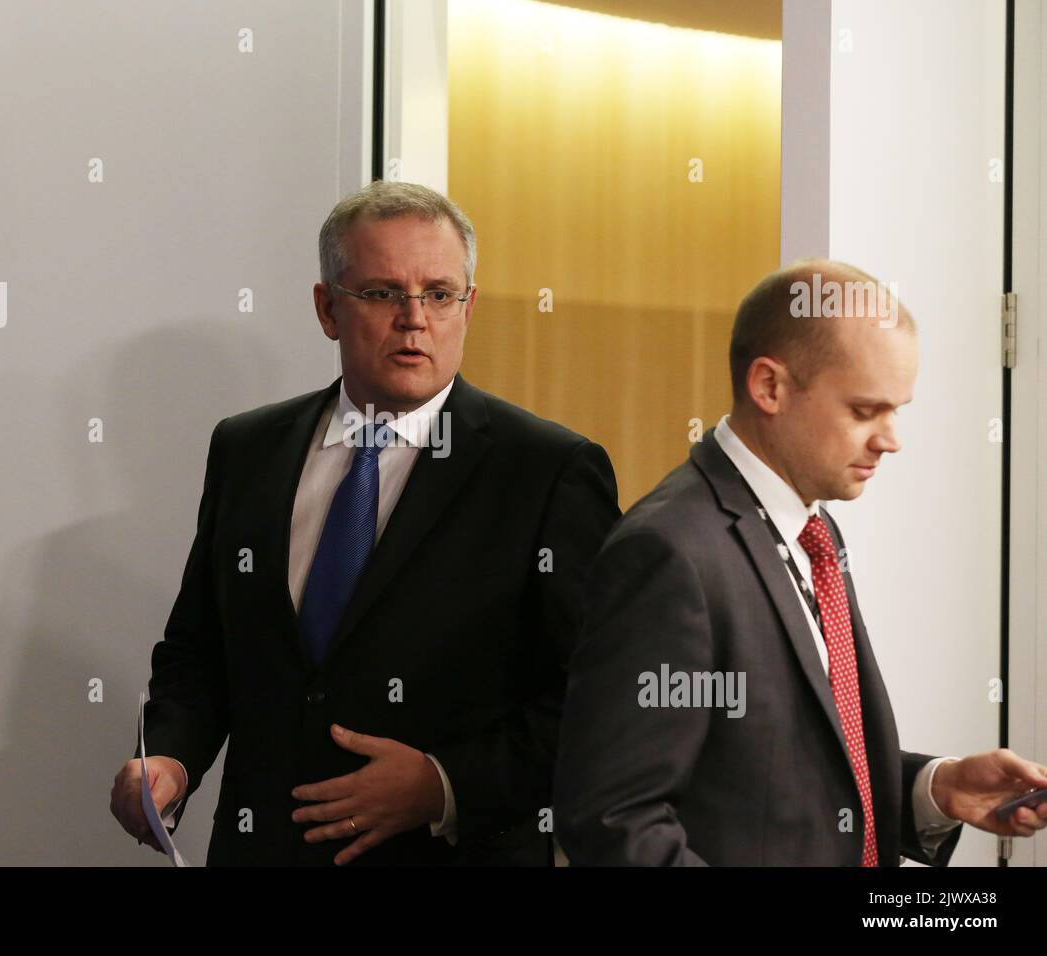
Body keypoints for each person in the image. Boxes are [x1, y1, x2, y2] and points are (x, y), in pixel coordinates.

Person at [110, 181, 620, 865]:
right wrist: (169, 756)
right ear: (328, 309)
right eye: (382, 293)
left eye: (439, 294)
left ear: (468, 308)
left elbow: (595, 701)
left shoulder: (548, 471)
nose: (414, 319)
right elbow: (200, 654)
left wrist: (442, 786)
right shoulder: (248, 448)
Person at [555, 260, 1047, 865]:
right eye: (866, 411)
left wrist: (934, 789)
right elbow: (613, 822)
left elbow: (783, 777)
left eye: (898, 410)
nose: (891, 439)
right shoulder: (670, 552)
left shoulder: (814, 528)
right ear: (770, 388)